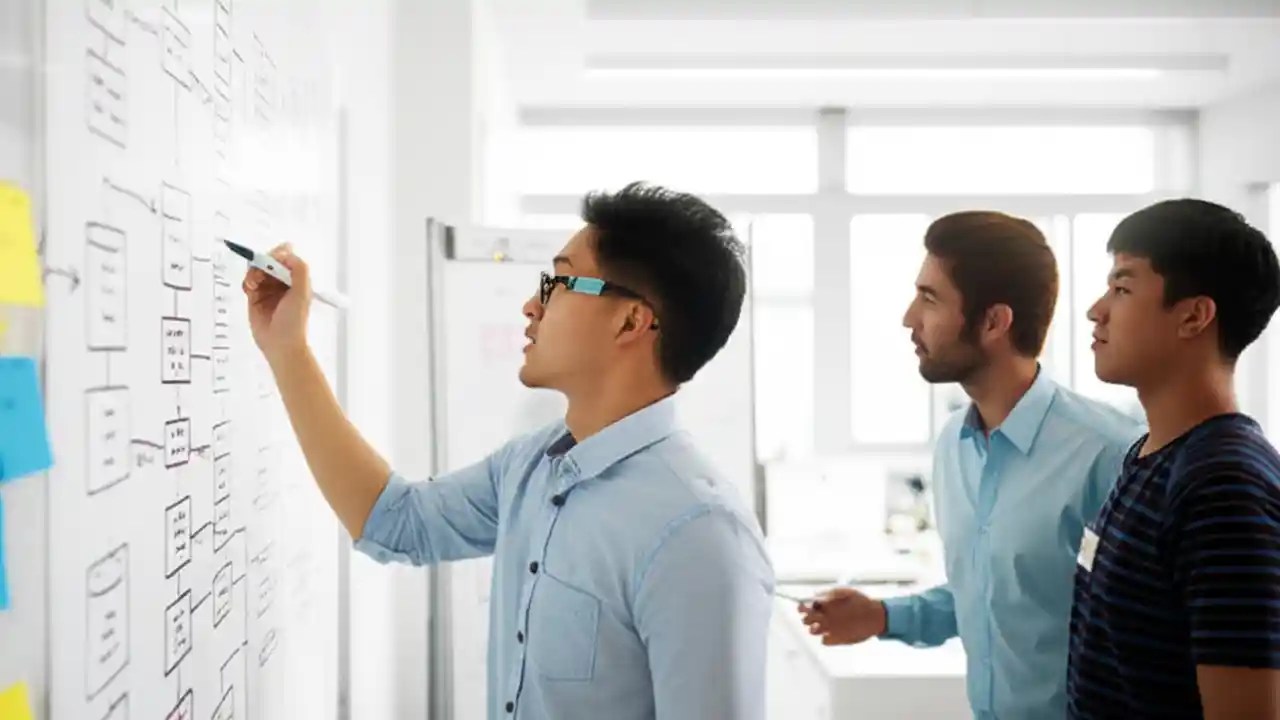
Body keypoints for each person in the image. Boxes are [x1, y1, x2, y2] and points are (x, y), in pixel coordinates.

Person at [241, 182, 774, 720]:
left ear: (631, 321)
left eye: (559, 282)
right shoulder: (532, 465)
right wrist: (288, 351)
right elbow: (393, 520)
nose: (531, 304)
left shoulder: (699, 533)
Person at [800, 211, 1143, 718]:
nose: (909, 317)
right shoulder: (953, 446)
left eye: (930, 298)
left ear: (993, 322)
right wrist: (881, 616)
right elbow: (993, 598)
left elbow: (1150, 639)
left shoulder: (1112, 454)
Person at [1068, 199, 1280, 719]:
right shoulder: (1149, 455)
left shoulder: (1223, 486)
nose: (1098, 308)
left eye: (1122, 288)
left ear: (1193, 316)